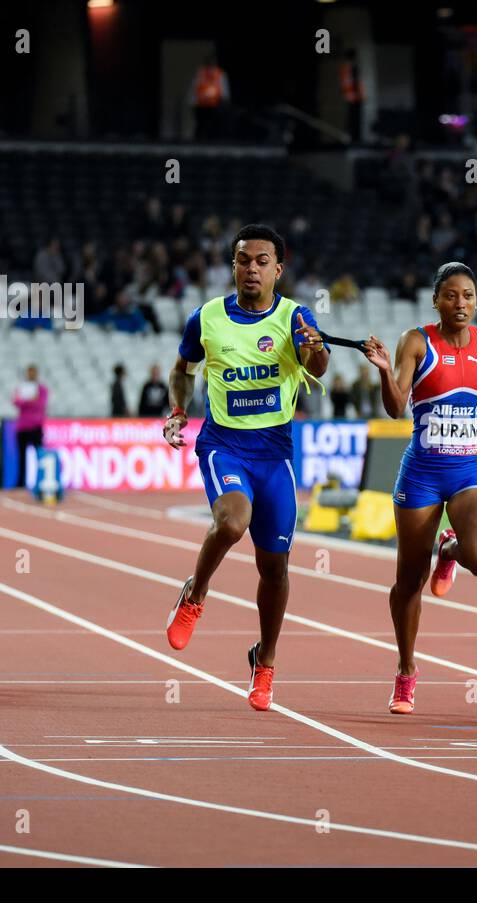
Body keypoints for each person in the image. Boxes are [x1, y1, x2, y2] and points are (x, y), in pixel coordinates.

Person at [162, 224, 330, 712]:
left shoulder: (296, 316)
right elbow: (181, 369)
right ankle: (195, 593)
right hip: (223, 446)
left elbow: (316, 367)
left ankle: (265, 659)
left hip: (274, 455)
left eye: (261, 261)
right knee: (232, 522)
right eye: (242, 260)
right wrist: (178, 412)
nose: (251, 268)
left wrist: (313, 345)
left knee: (274, 567)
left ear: (279, 269)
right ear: (232, 266)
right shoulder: (206, 318)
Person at [362, 262, 477, 714]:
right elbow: (397, 407)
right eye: (451, 296)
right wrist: (385, 369)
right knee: (409, 582)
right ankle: (406, 671)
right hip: (422, 472)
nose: (460, 303)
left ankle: (451, 550)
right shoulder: (416, 341)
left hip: (470, 471)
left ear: (476, 300)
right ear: (436, 301)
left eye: (468, 296)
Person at [13, 364, 48, 463]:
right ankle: (21, 479)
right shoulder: (21, 387)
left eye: (33, 372)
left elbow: (41, 404)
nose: (31, 374)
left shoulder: (41, 388)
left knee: (40, 457)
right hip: (22, 427)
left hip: (36, 427)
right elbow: (16, 401)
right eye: (29, 372)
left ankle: (40, 478)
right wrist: (30, 401)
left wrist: (25, 401)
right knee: (21, 458)